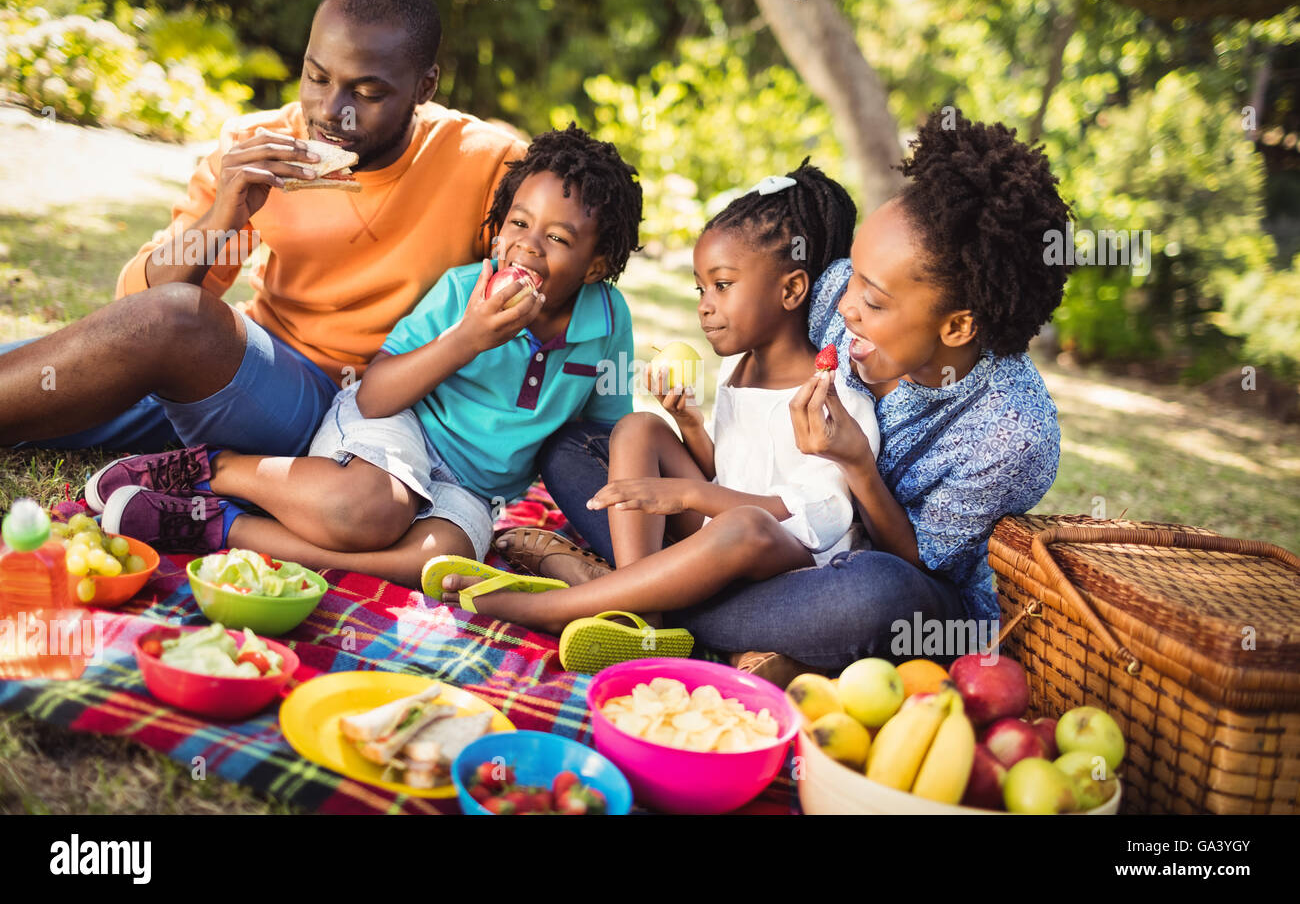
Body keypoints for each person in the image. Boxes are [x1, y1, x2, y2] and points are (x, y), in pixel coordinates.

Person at [498, 108, 1070, 684]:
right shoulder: (830, 297)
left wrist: (856, 465)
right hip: (748, 536)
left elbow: (919, 562)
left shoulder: (1011, 432)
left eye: (872, 302)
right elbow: (762, 300)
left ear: (958, 328)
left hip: (850, 577)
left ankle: (615, 595)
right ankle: (658, 600)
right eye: (850, 279)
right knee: (576, 445)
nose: (844, 308)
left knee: (879, 597)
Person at [88, 126, 643, 588]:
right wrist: (468, 339)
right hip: (394, 428)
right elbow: (376, 395)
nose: (528, 245)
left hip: (471, 490)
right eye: (519, 223)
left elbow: (599, 436)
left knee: (442, 566)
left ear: (596, 266)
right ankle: (216, 469)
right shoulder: (461, 293)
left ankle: (214, 526)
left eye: (559, 239)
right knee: (372, 511)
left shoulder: (609, 324)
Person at [0, 0, 524, 456]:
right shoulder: (256, 146)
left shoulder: (487, 163)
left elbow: (536, 303)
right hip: (249, 373)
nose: (328, 110)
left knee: (169, 324)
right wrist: (221, 218)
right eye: (317, 77)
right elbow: (133, 310)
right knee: (55, 367)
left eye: (366, 92)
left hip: (359, 414)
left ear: (425, 87)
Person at [439, 162, 880, 641]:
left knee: (743, 525)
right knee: (637, 428)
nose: (704, 305)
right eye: (700, 288)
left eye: (723, 285)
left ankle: (553, 606)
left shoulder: (830, 396)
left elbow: (821, 516)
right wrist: (689, 427)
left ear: (791, 289)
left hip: (786, 557)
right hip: (714, 536)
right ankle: (640, 607)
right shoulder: (740, 371)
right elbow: (729, 472)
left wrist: (690, 495)